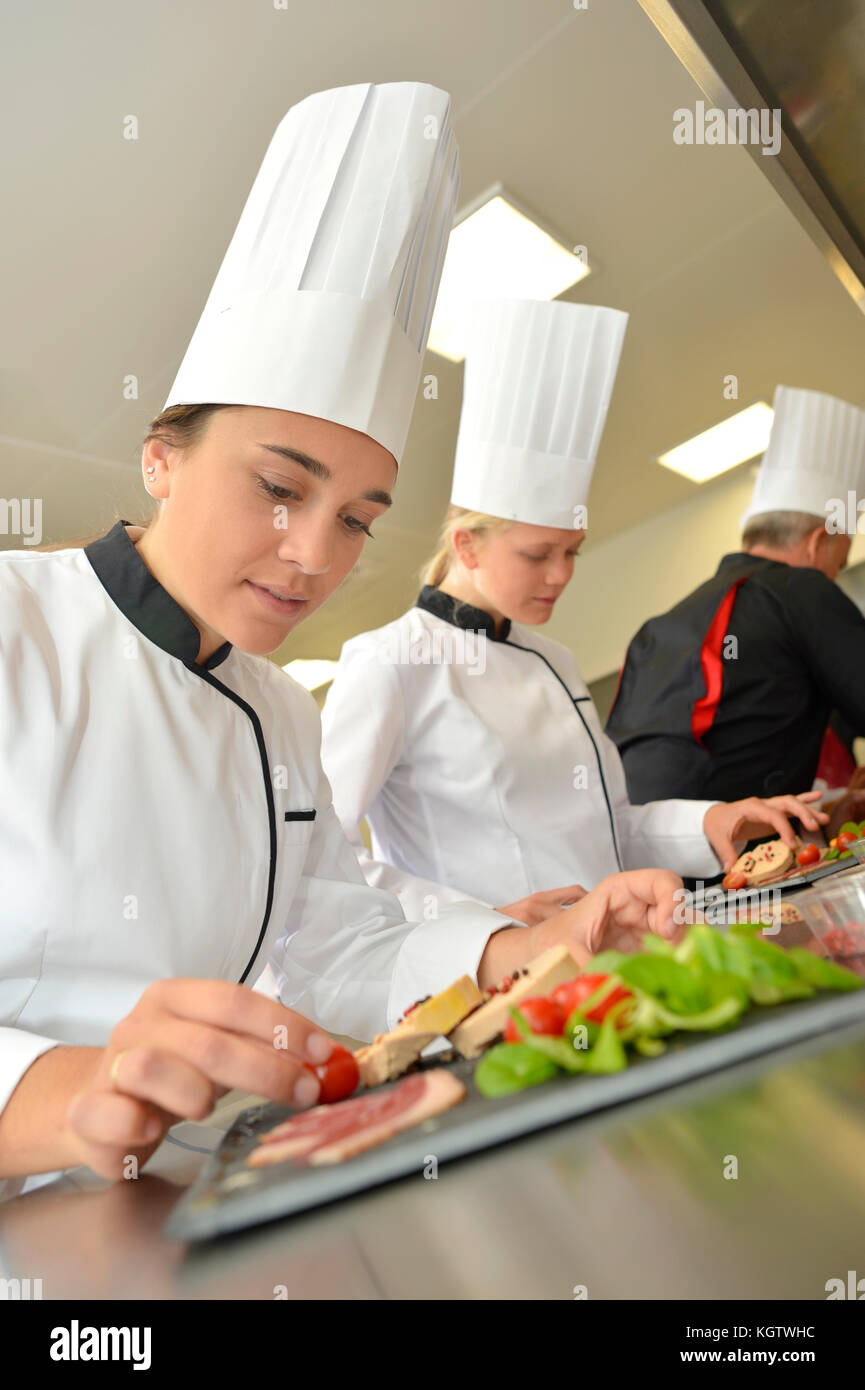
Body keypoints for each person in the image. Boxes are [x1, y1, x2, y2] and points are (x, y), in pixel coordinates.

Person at [0, 83, 687, 1195]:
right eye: (279, 486)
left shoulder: (276, 708)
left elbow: (335, 941)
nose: (316, 555)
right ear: (160, 458)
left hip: (182, 1204)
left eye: (360, 519)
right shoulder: (13, 626)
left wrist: (523, 952)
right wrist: (57, 1091)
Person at [320, 301, 825, 921]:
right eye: (538, 554)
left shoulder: (552, 661)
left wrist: (714, 819)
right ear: (465, 544)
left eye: (572, 552)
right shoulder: (389, 660)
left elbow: (611, 829)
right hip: (492, 978)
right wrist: (474, 919)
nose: (561, 575)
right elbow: (324, 854)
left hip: (614, 952)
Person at [605, 386, 865, 812]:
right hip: (742, 855)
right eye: (842, 557)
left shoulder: (659, 626)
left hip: (649, 854)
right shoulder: (800, 587)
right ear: (819, 542)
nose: (836, 573)